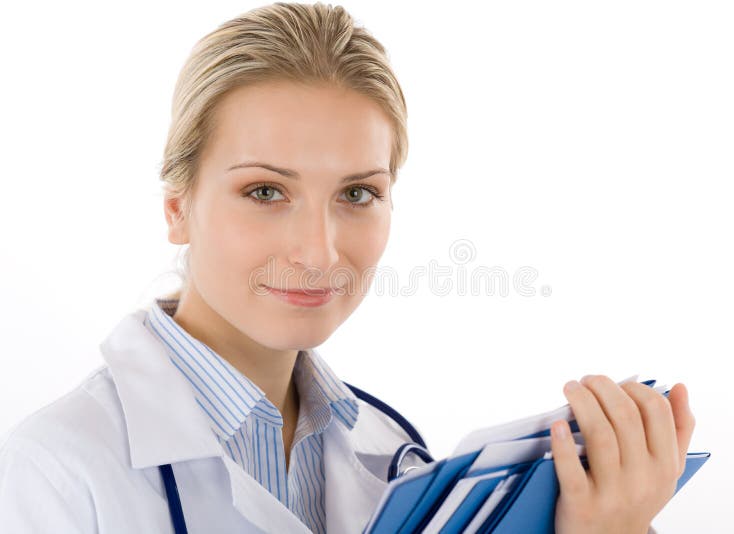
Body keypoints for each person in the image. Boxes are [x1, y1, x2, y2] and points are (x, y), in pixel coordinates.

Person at [0, 3, 694, 533]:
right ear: (178, 209)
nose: (321, 252)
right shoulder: (53, 473)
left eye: (357, 194)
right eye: (266, 192)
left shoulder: (394, 454)